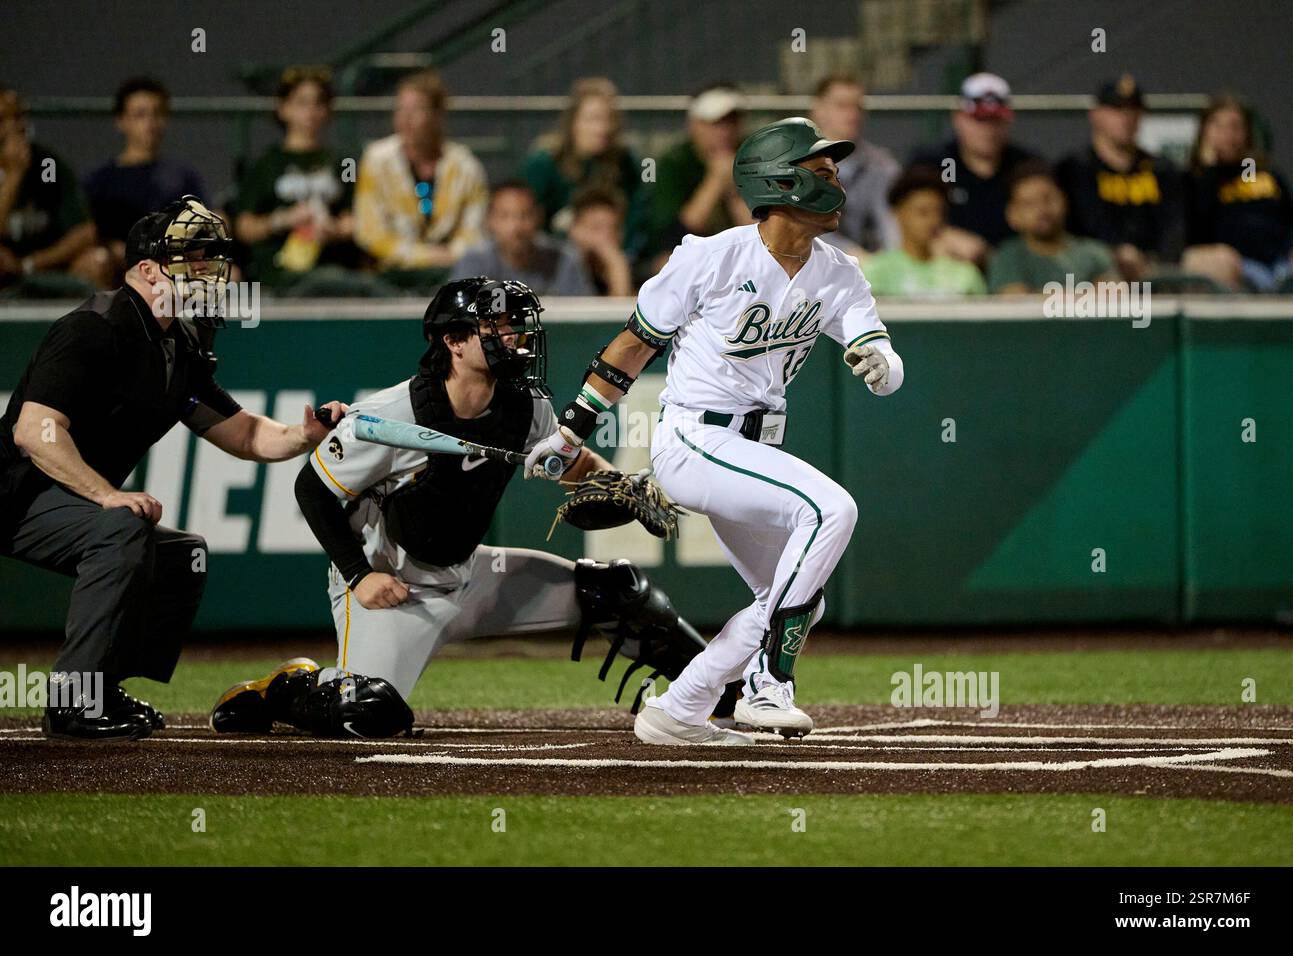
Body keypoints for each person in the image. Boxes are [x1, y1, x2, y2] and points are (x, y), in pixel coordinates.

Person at [525, 118, 904, 746]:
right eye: (822, 169)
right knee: (832, 508)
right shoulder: (711, 255)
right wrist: (572, 433)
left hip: (755, 449)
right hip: (696, 440)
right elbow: (631, 348)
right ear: (779, 182)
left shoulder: (839, 272)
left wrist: (881, 365)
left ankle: (680, 709)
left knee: (795, 598)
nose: (835, 179)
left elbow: (882, 361)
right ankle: (768, 687)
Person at [208, 277, 705, 736]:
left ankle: (714, 691)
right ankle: (287, 689)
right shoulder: (392, 414)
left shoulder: (526, 405)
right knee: (369, 711)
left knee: (618, 590)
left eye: (514, 324)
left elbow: (566, 463)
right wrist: (360, 576)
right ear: (454, 340)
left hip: (469, 576)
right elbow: (312, 490)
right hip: (395, 586)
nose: (513, 335)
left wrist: (618, 482)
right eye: (496, 324)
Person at [0, 196, 348, 741]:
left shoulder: (176, 344)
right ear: (146, 270)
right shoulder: (95, 327)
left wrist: (305, 435)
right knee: (122, 527)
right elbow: (34, 431)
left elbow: (245, 433)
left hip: (60, 499)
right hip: (14, 493)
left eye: (211, 256)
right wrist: (105, 495)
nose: (211, 270)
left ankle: (103, 685)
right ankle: (71, 703)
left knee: (183, 556)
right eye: (193, 256)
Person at [353, 70, 487, 283]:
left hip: (451, 272)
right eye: (401, 109)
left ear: (437, 115)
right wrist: (424, 257)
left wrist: (450, 256)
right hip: (390, 274)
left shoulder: (466, 167)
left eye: (417, 109)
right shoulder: (376, 160)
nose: (406, 118)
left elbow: (473, 233)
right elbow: (370, 233)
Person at [231, 66, 358, 292]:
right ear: (283, 108)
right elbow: (243, 226)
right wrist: (283, 220)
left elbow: (356, 218)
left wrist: (334, 229)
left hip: (332, 264)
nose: (310, 111)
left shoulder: (344, 163)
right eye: (301, 103)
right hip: (277, 271)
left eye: (318, 103)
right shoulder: (265, 164)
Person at [1054, 75, 1184, 280]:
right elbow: (1069, 235)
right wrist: (1111, 256)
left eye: (1133, 110)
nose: (1126, 117)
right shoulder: (1073, 170)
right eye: (1116, 109)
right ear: (1095, 115)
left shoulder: (1163, 171)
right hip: (1092, 272)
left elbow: (1175, 229)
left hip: (1155, 268)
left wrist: (1153, 261)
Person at [82, 77, 206, 287]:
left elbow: (204, 222)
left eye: (157, 114)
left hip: (171, 266)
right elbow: (86, 232)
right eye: (140, 115)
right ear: (121, 121)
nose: (150, 123)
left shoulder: (183, 176)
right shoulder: (100, 180)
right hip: (117, 267)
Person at [910, 73, 1039, 265]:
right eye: (979, 120)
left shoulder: (1026, 166)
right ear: (958, 118)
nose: (988, 130)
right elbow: (906, 216)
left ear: (1008, 121)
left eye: (995, 121)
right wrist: (942, 234)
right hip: (949, 270)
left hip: (1016, 269)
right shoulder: (933, 164)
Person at [520, 77, 646, 257]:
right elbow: (529, 220)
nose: (602, 129)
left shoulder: (625, 163)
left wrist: (623, 252)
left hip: (613, 254)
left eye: (609, 119)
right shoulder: (543, 164)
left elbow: (637, 220)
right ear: (573, 122)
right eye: (593, 119)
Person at [1185, 94, 1293, 291]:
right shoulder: (1195, 178)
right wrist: (1210, 169)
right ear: (1204, 131)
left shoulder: (1259, 171)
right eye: (1219, 127)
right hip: (1238, 267)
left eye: (1235, 127)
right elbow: (1195, 227)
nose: (1228, 135)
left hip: (1281, 262)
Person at [0, 86, 98, 294]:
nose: (14, 128)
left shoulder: (47, 164)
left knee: (96, 262)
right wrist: (13, 176)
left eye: (18, 117)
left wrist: (29, 264)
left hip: (41, 264)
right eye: (2, 120)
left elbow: (84, 232)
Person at [645, 84, 751, 263]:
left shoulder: (757, 158)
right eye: (715, 123)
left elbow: (763, 233)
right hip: (692, 257)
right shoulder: (674, 163)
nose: (724, 132)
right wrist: (716, 180)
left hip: (743, 254)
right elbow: (676, 235)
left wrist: (733, 191)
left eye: (731, 122)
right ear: (693, 125)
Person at [986, 161, 1116, 293]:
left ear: (1064, 200)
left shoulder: (1095, 253)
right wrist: (1087, 292)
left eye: (1048, 199)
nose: (1042, 210)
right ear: (1012, 215)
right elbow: (1014, 300)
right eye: (1029, 204)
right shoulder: (1008, 257)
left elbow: (1113, 292)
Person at [810, 72, 901, 257]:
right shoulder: (796, 163)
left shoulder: (882, 165)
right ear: (818, 110)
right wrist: (849, 254)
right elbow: (800, 226)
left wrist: (892, 263)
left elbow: (892, 224)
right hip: (812, 265)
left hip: (872, 270)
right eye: (842, 106)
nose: (853, 115)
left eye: (858, 107)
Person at [452, 181, 594, 295]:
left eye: (525, 216)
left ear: (538, 217)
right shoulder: (473, 260)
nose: (516, 227)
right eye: (504, 216)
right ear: (489, 220)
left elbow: (583, 315)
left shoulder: (563, 259)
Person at [861, 166, 986, 296]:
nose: (933, 221)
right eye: (923, 212)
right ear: (897, 212)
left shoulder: (965, 275)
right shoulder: (875, 272)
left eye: (939, 212)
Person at [567, 185, 634, 296]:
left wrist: (617, 267)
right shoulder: (559, 269)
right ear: (574, 230)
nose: (606, 237)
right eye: (596, 228)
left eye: (614, 229)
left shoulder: (631, 271)